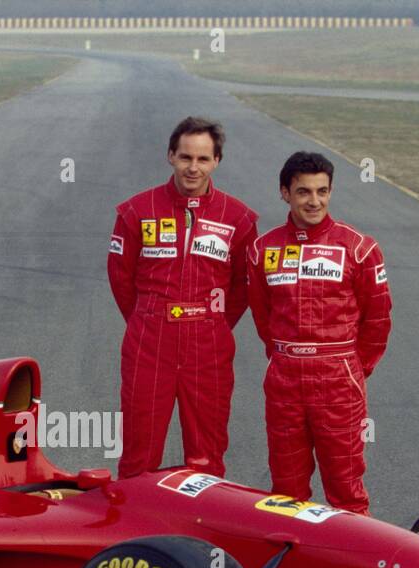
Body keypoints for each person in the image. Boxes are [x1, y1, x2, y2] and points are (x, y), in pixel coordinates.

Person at [108, 117, 258, 478]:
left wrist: (213, 321)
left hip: (208, 342)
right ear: (170, 156)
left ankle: (199, 532)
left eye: (203, 159)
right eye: (185, 157)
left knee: (206, 456)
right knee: (139, 455)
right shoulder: (135, 211)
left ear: (217, 161)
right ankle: (137, 531)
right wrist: (149, 316)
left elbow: (244, 286)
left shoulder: (239, 218)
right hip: (149, 340)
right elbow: (120, 277)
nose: (193, 167)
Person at [248, 151, 391, 515]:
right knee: (285, 490)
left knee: (346, 489)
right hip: (284, 377)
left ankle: (355, 567)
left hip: (338, 377)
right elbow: (263, 314)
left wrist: (354, 368)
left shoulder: (360, 248)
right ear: (285, 193)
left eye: (322, 191)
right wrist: (284, 356)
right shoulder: (262, 249)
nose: (314, 201)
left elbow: (377, 319)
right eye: (303, 192)